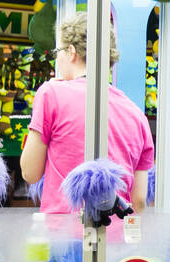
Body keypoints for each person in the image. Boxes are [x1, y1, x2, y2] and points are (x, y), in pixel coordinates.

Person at [20, 13, 151, 214]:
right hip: (116, 239)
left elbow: (30, 172)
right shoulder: (136, 114)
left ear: (71, 51)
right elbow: (139, 200)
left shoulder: (51, 93)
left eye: (58, 51)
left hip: (64, 236)